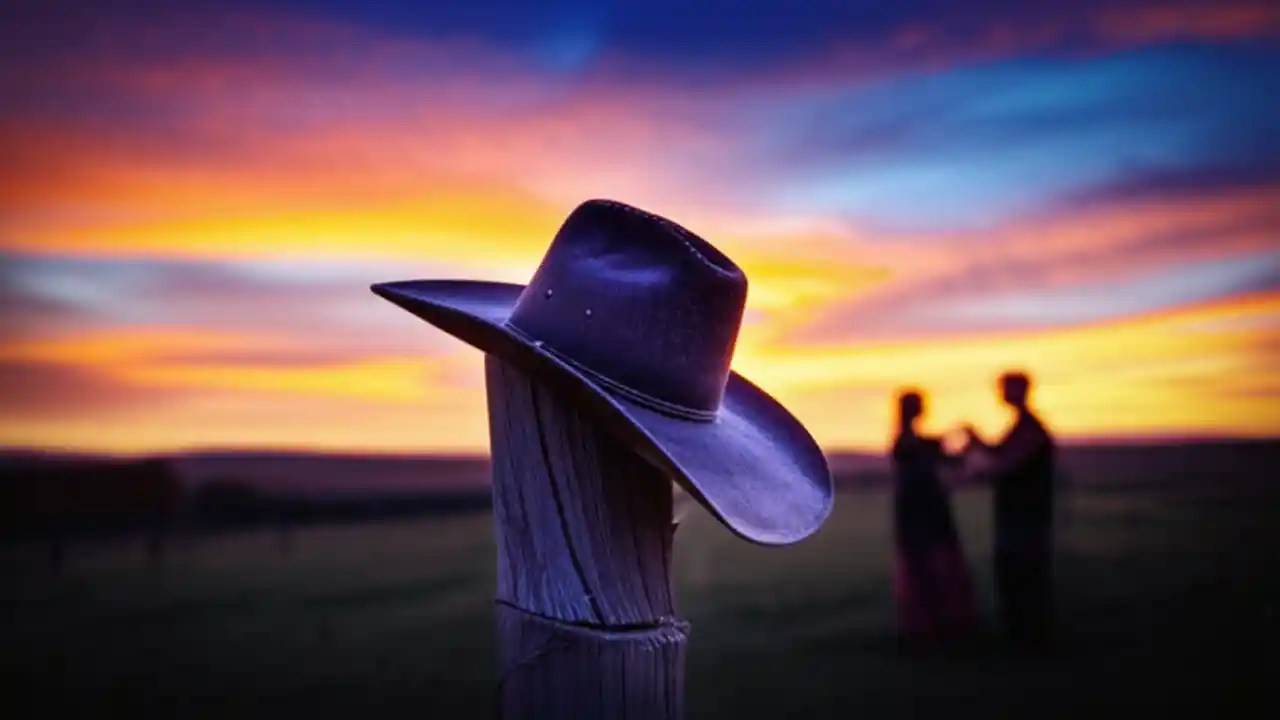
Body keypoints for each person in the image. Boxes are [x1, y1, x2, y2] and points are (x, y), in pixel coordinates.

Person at [964, 371, 1056, 649]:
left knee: (1022, 573)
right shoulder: (1023, 426)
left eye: (1005, 388)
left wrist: (978, 471)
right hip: (1018, 512)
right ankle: (1024, 633)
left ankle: (1028, 637)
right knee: (1018, 572)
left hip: (1025, 514)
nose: (1000, 393)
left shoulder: (1030, 428)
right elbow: (1001, 455)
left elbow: (1008, 463)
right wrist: (978, 442)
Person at [890, 389, 977, 648]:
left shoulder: (909, 441)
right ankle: (932, 626)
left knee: (928, 565)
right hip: (921, 511)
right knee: (926, 566)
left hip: (922, 510)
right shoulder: (909, 442)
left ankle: (932, 626)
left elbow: (947, 460)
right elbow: (946, 460)